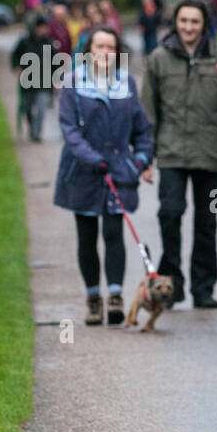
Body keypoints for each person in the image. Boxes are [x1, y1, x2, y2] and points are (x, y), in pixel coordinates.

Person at [140, 0, 217, 307]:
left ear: (205, 25)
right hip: (172, 153)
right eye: (184, 21)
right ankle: (172, 283)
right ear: (175, 23)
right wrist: (145, 158)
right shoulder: (158, 59)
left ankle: (203, 289)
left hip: (209, 154)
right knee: (169, 215)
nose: (189, 27)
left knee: (206, 222)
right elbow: (147, 113)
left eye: (195, 21)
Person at [53, 26, 155, 326]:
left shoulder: (127, 83)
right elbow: (69, 130)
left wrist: (139, 160)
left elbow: (142, 129)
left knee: (113, 233)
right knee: (86, 236)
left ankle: (114, 297)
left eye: (110, 48)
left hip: (117, 172)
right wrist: (92, 158)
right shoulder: (72, 84)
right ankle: (93, 297)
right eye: (99, 47)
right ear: (88, 51)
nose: (105, 53)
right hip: (82, 172)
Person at [10, 14, 56, 142]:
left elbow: (56, 62)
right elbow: (15, 55)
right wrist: (17, 67)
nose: (44, 31)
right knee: (27, 106)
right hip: (28, 80)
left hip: (44, 81)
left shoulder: (49, 42)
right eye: (42, 28)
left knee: (41, 108)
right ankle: (32, 126)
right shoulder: (25, 41)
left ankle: (36, 133)